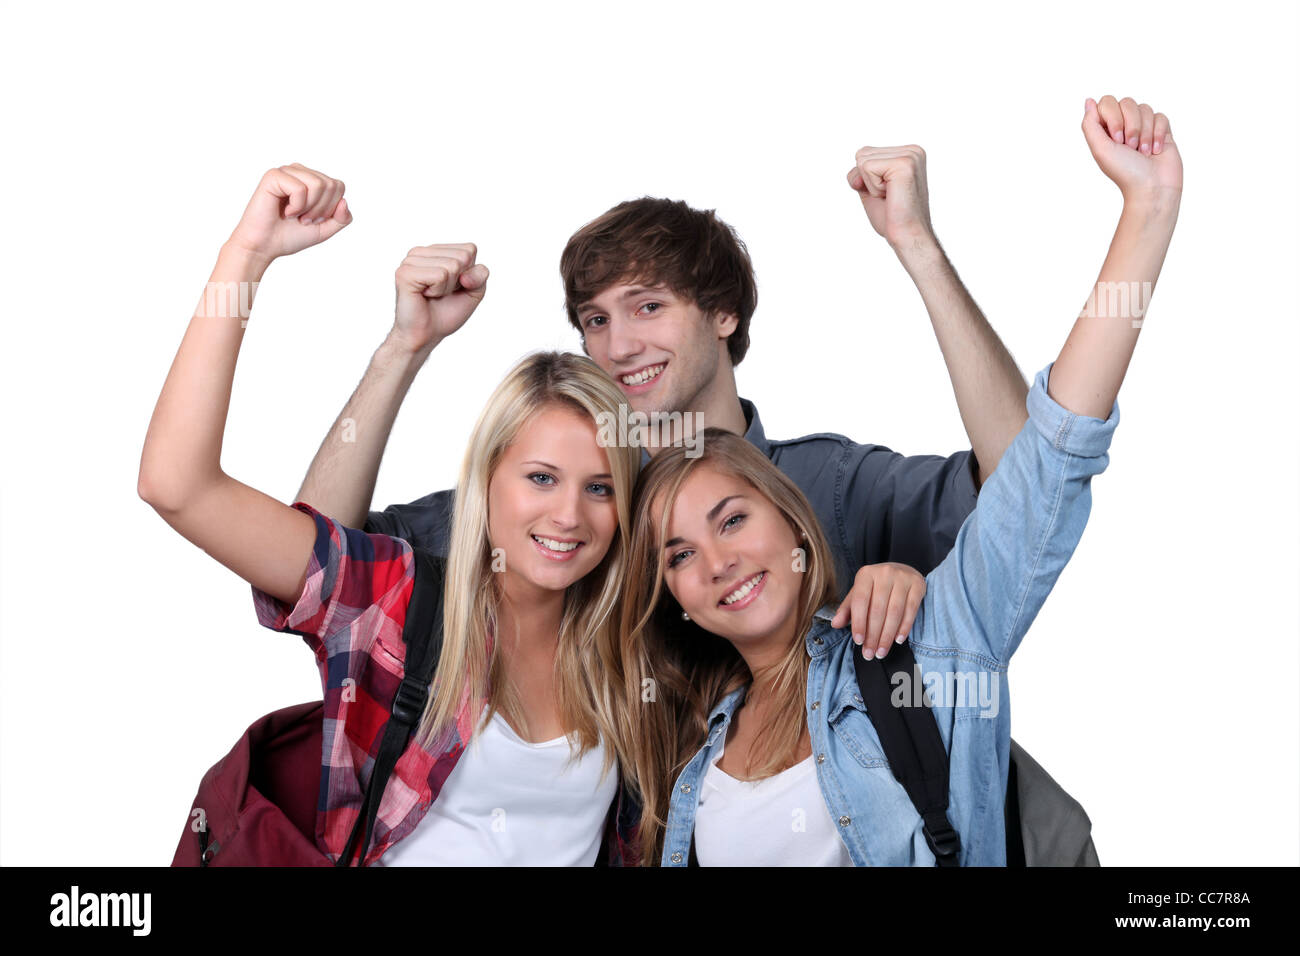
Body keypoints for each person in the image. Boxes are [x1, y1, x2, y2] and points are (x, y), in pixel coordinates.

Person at [613, 95, 1181, 865]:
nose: (714, 563)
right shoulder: (692, 759)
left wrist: (1147, 210)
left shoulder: (931, 648)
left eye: (733, 520)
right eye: (677, 556)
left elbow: (1044, 464)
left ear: (796, 516)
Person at [291, 139, 1034, 663]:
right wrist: (403, 347)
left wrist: (918, 246)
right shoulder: (564, 501)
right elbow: (316, 561)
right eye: (596, 320)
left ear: (723, 313)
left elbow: (1029, 487)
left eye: (648, 307)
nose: (617, 347)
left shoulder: (831, 485)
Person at [137, 165, 645, 865]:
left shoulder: (632, 644)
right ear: (485, 480)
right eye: (540, 478)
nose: (569, 515)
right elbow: (178, 486)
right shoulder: (400, 603)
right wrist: (246, 256)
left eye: (601, 488)